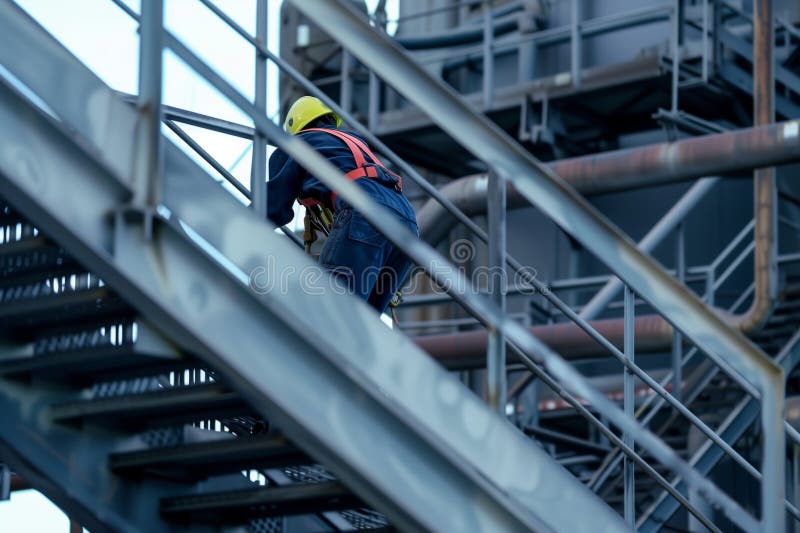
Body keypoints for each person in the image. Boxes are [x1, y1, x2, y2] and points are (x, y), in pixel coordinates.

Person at [267, 96, 418, 313]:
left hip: (364, 212)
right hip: (407, 220)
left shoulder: (297, 143)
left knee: (331, 313)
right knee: (363, 320)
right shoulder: (354, 142)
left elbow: (272, 207)